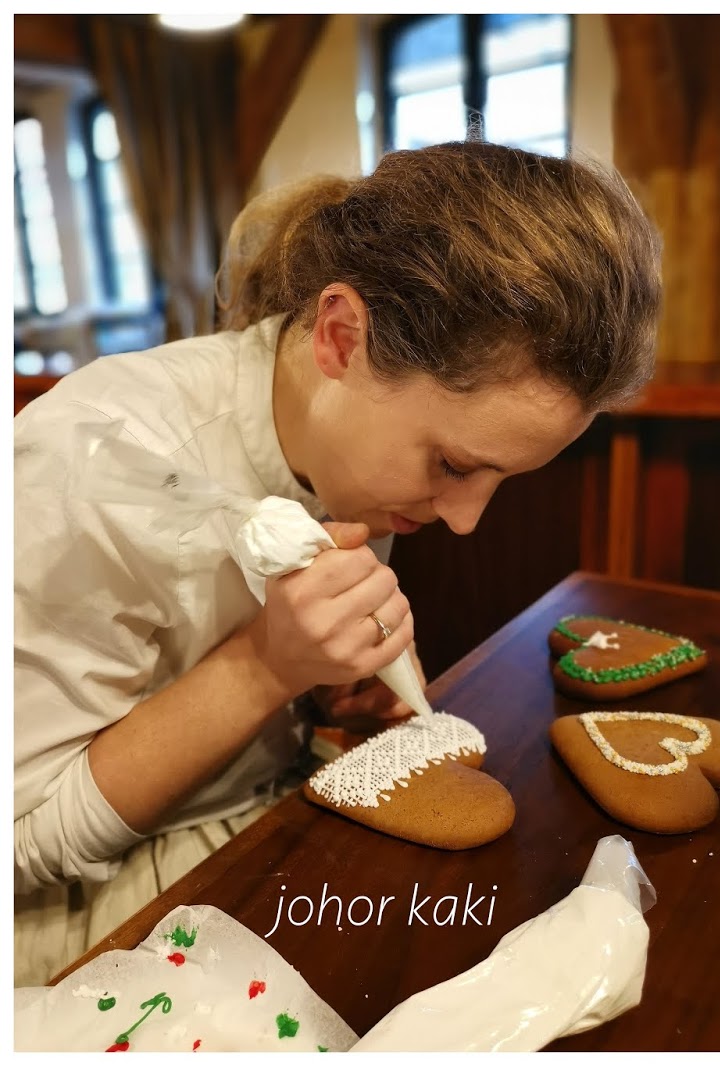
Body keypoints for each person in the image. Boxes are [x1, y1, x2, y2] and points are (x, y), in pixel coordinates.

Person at [13, 141, 662, 986]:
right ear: (341, 335)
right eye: (456, 466)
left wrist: (334, 691)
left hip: (268, 822)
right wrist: (263, 668)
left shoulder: (345, 436)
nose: (464, 521)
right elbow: (24, 844)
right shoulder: (90, 461)